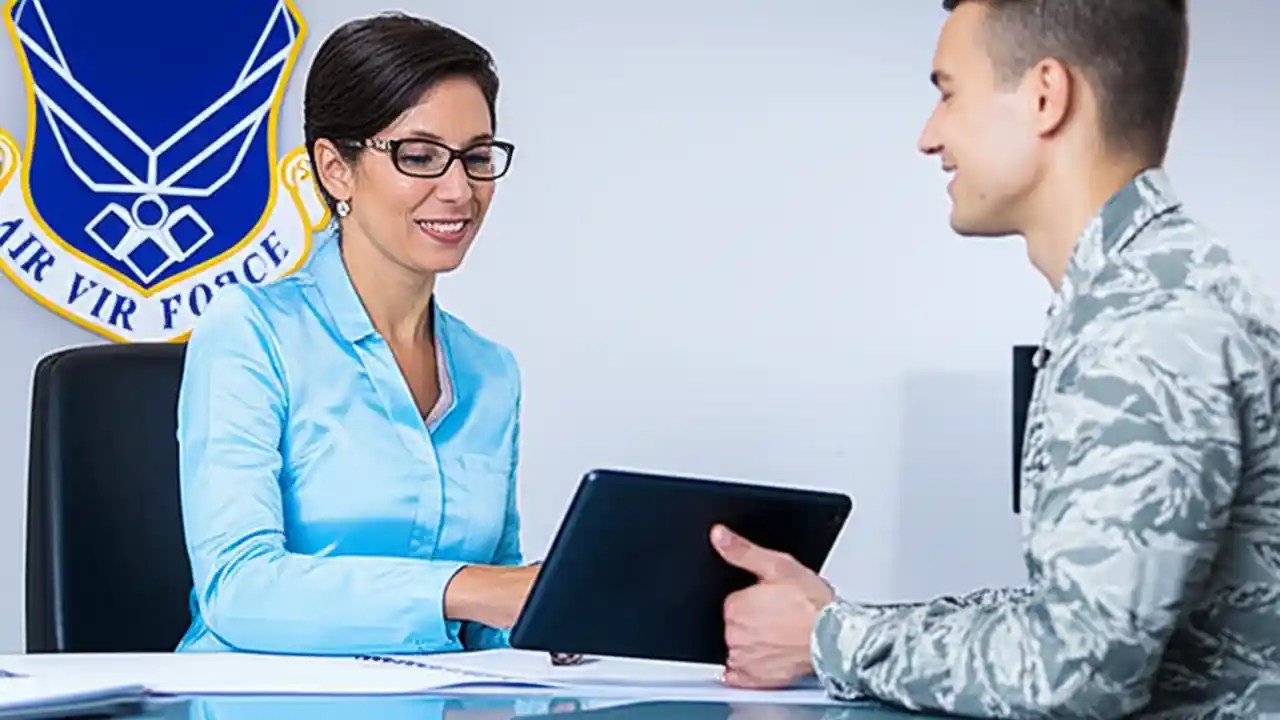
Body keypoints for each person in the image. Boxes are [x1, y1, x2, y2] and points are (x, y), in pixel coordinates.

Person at [710, 0, 1280, 717]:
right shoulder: (1151, 290)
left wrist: (829, 639)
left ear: (1046, 95)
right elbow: (1073, 617)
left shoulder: (1149, 325)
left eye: (948, 92)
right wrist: (834, 624)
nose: (929, 135)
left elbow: (1076, 673)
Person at [174, 13, 537, 655]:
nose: (459, 189)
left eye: (477, 157)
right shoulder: (251, 333)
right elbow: (237, 589)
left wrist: (578, 610)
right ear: (336, 168)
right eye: (418, 156)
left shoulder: (490, 372)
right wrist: (461, 589)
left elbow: (495, 613)